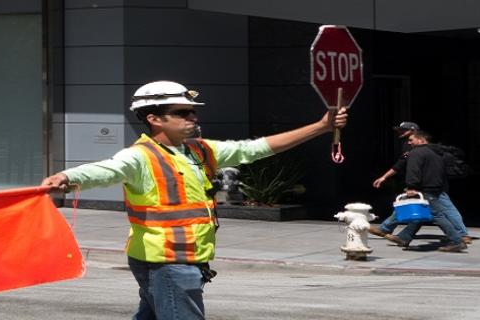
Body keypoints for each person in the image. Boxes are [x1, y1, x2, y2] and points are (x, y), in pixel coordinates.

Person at [39, 81, 348, 320]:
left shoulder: (200, 151)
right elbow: (106, 170)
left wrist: (320, 127)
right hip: (166, 261)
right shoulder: (139, 156)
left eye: (192, 111)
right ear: (154, 119)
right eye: (182, 113)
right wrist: (66, 178)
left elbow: (256, 148)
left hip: (187, 259)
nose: (192, 117)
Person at [366, 123, 470, 252]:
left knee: (438, 214)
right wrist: (385, 177)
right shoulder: (436, 151)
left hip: (426, 188)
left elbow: (410, 168)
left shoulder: (414, 151)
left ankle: (457, 239)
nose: (401, 133)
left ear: (415, 133)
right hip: (437, 186)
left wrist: (411, 187)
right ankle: (403, 236)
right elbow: (402, 161)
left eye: (404, 131)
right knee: (421, 213)